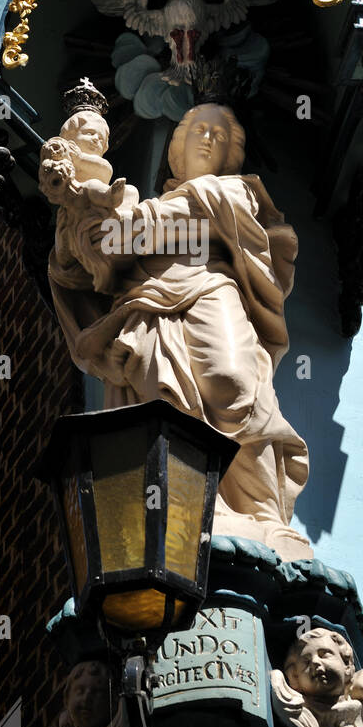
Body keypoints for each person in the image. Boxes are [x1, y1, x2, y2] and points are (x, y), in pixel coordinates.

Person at [47, 100, 312, 561]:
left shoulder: (233, 192)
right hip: (146, 311)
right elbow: (80, 271)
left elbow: (167, 229)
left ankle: (264, 514)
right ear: (176, 149)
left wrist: (118, 232)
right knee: (164, 405)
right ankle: (188, 509)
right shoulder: (136, 204)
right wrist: (76, 228)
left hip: (210, 289)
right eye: (199, 129)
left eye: (221, 134)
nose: (209, 138)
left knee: (234, 384)